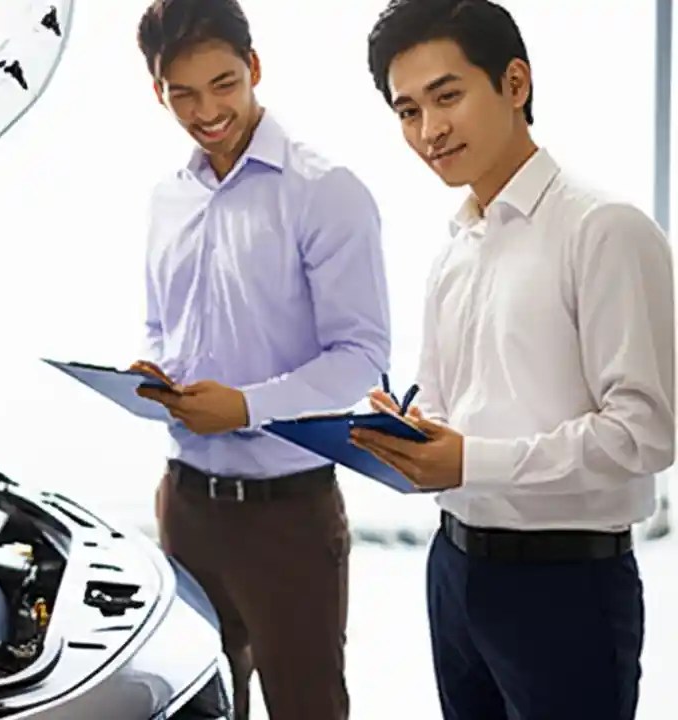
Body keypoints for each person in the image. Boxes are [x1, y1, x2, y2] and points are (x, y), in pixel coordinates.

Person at [353, 1, 676, 718]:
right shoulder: (456, 248)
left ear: (515, 83)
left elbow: (645, 433)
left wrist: (471, 461)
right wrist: (407, 431)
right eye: (408, 111)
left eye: (447, 96)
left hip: (568, 587)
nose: (429, 130)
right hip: (455, 570)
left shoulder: (605, 230)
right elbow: (447, 405)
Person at [129, 1, 392, 718]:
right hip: (183, 505)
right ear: (158, 90)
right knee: (197, 706)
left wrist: (243, 407)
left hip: (287, 521)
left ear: (254, 68)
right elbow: (161, 325)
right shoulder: (168, 199)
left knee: (306, 707)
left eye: (222, 84)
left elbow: (362, 358)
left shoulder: (323, 192)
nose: (206, 110)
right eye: (182, 92)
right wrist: (155, 373)